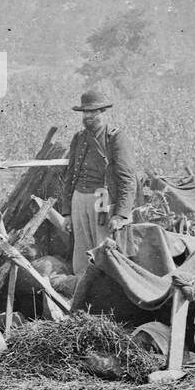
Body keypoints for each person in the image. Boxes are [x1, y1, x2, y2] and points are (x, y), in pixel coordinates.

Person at [57, 90, 138, 280]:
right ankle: (81, 289)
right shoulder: (79, 138)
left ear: (103, 112)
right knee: (81, 251)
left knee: (104, 249)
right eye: (85, 112)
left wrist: (120, 214)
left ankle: (105, 292)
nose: (89, 116)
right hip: (79, 199)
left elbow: (127, 179)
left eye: (93, 112)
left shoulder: (116, 138)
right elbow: (70, 175)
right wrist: (67, 212)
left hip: (102, 198)